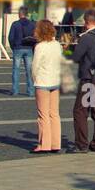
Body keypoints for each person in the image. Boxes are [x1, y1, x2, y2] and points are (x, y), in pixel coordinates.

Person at [70, 9, 95, 153]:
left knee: (81, 111)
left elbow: (76, 57)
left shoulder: (86, 38)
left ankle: (82, 143)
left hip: (89, 80)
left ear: (86, 22)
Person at [31, 20, 63, 153]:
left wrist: (34, 79)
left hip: (43, 81)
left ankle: (44, 144)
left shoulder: (40, 46)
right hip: (55, 81)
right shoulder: (57, 45)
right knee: (54, 114)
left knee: (43, 114)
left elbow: (35, 66)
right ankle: (56, 143)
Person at [7, 6, 37, 97]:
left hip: (18, 48)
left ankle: (15, 90)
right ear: (27, 14)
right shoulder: (32, 24)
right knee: (29, 71)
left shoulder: (15, 24)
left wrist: (13, 47)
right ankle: (30, 91)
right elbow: (35, 37)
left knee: (16, 70)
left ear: (19, 14)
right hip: (28, 49)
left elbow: (10, 38)